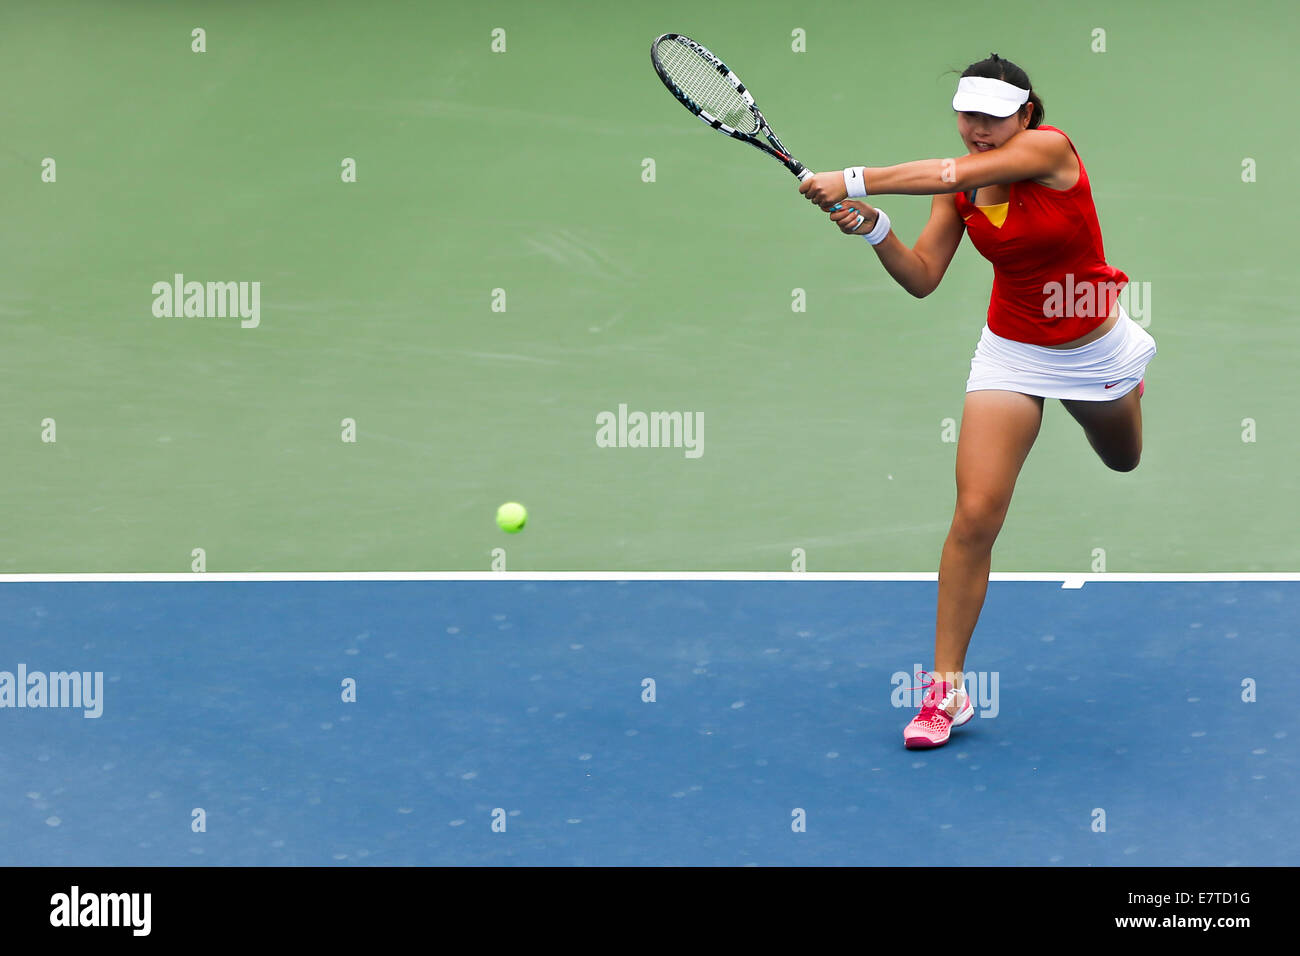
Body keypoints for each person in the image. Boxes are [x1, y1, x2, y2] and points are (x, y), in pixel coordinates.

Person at [797, 53, 1157, 749]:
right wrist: (875, 228)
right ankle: (946, 690)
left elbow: (949, 173)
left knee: (1124, 459)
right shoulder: (959, 191)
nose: (978, 129)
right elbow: (923, 276)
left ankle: (1126, 385)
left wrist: (850, 177)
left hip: (1093, 351)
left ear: (1027, 115)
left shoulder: (1050, 152)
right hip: (1012, 351)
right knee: (974, 515)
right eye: (968, 115)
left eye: (993, 117)